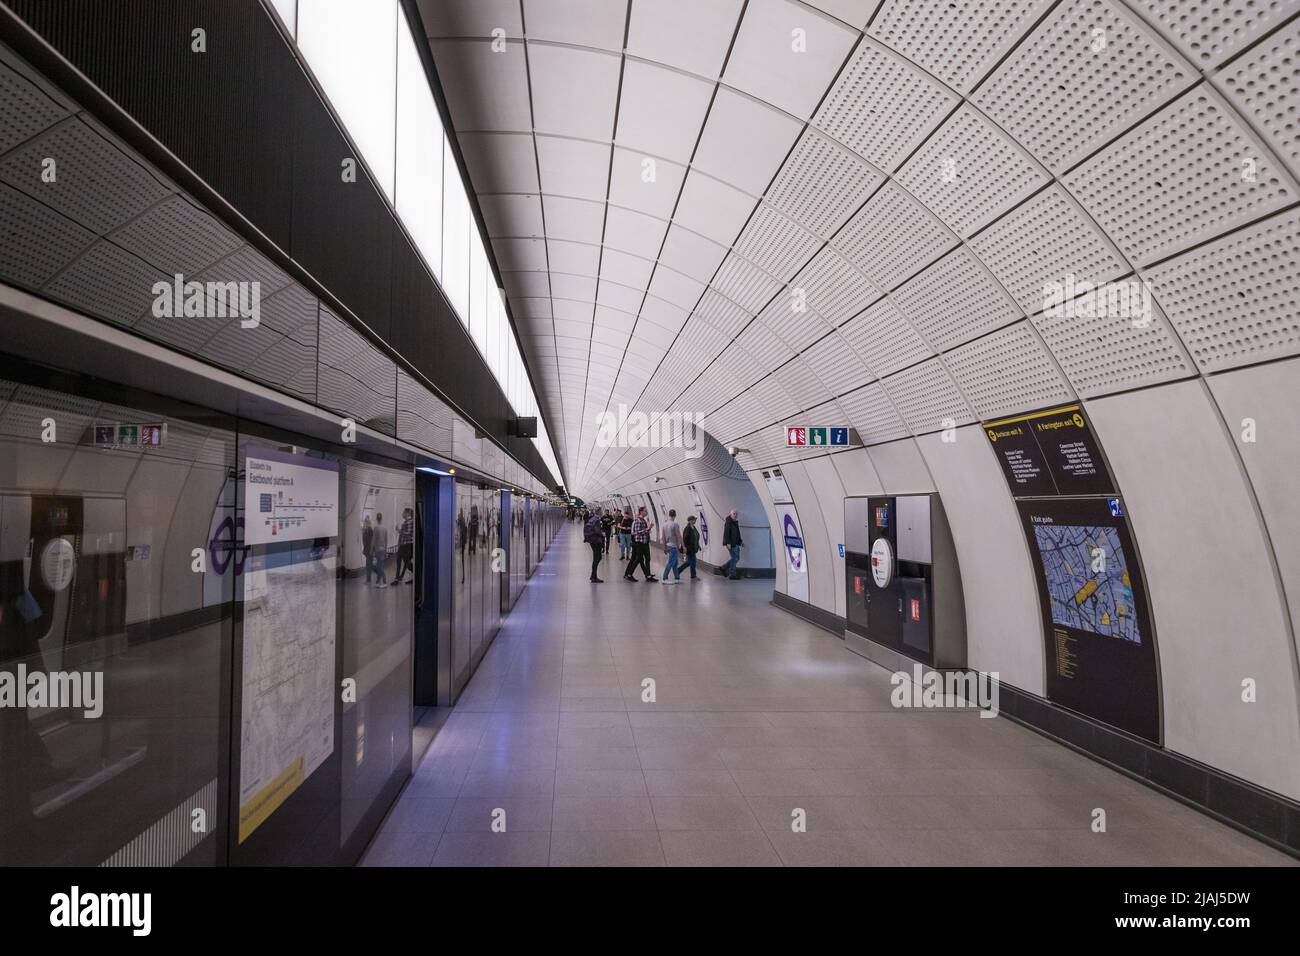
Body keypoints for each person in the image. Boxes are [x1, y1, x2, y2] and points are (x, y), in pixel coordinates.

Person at [624, 506, 656, 582]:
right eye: (645, 511)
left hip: (645, 542)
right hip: (640, 543)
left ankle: (648, 575)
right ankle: (629, 574)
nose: (646, 512)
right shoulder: (638, 521)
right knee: (638, 559)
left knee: (647, 559)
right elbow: (637, 532)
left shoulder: (643, 520)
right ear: (641, 512)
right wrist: (648, 528)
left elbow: (641, 531)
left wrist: (648, 529)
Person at [660, 509, 684, 584]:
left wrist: (664, 547)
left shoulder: (664, 524)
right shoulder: (675, 524)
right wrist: (683, 546)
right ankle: (664, 578)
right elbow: (679, 536)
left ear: (669, 515)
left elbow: (663, 537)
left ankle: (677, 578)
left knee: (675, 563)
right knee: (671, 563)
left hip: (668, 545)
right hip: (674, 546)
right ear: (675, 515)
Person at [393, 507, 415, 585]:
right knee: (400, 561)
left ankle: (413, 576)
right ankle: (397, 578)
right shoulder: (406, 522)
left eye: (403, 512)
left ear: (407, 513)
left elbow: (409, 533)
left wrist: (399, 530)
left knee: (407, 563)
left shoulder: (410, 522)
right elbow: (403, 535)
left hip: (407, 546)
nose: (402, 513)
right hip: (403, 545)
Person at [584, 507, 605, 582]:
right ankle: (593, 576)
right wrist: (603, 535)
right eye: (602, 511)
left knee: (597, 558)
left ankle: (593, 576)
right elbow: (597, 531)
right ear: (599, 512)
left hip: (592, 540)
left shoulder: (592, 519)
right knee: (597, 558)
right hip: (596, 541)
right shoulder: (597, 520)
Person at [678, 514, 700, 581]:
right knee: (693, 562)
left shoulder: (693, 527)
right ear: (690, 521)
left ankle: (678, 570)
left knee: (689, 562)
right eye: (693, 520)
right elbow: (684, 539)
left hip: (694, 547)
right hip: (689, 548)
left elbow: (696, 537)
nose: (695, 521)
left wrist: (698, 545)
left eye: (695, 519)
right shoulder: (687, 528)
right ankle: (693, 576)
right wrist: (685, 547)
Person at [722, 509, 743, 580]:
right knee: (735, 558)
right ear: (730, 514)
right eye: (734, 514)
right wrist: (728, 543)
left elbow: (737, 534)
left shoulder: (734, 522)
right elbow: (726, 533)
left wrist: (740, 542)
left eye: (736, 514)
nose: (735, 515)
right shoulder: (729, 522)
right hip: (731, 544)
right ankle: (732, 574)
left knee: (735, 558)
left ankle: (724, 567)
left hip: (736, 543)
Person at [372, 512, 389, 587]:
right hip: (383, 549)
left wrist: (371, 550)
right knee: (379, 565)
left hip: (378, 550)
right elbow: (386, 540)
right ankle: (378, 581)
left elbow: (373, 540)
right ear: (381, 518)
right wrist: (385, 550)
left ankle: (384, 582)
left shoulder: (376, 528)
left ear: (376, 519)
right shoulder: (385, 528)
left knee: (378, 566)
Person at [361, 515, 375, 585]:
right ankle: (370, 578)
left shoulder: (370, 531)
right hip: (367, 550)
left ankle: (369, 579)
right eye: (364, 522)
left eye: (365, 522)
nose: (364, 523)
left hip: (370, 550)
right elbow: (364, 542)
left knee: (369, 565)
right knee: (369, 565)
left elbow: (372, 541)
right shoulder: (365, 531)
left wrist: (371, 550)